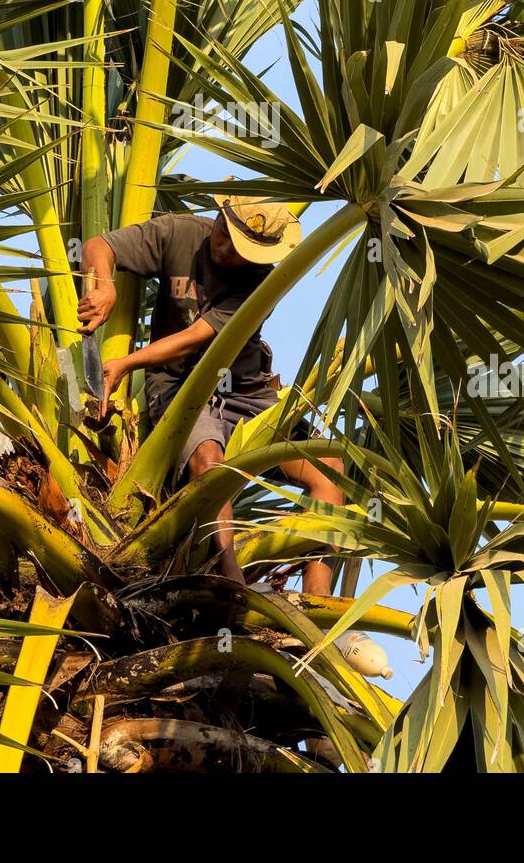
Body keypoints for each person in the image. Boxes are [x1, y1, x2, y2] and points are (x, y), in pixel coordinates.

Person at [78, 194, 344, 590]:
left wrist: (126, 363)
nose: (223, 249)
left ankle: (317, 601)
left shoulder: (261, 280)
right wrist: (104, 287)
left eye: (237, 249)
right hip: (178, 386)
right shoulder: (179, 232)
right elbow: (100, 246)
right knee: (208, 460)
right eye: (222, 233)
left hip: (248, 392)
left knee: (330, 473)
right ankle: (231, 585)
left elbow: (195, 339)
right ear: (219, 216)